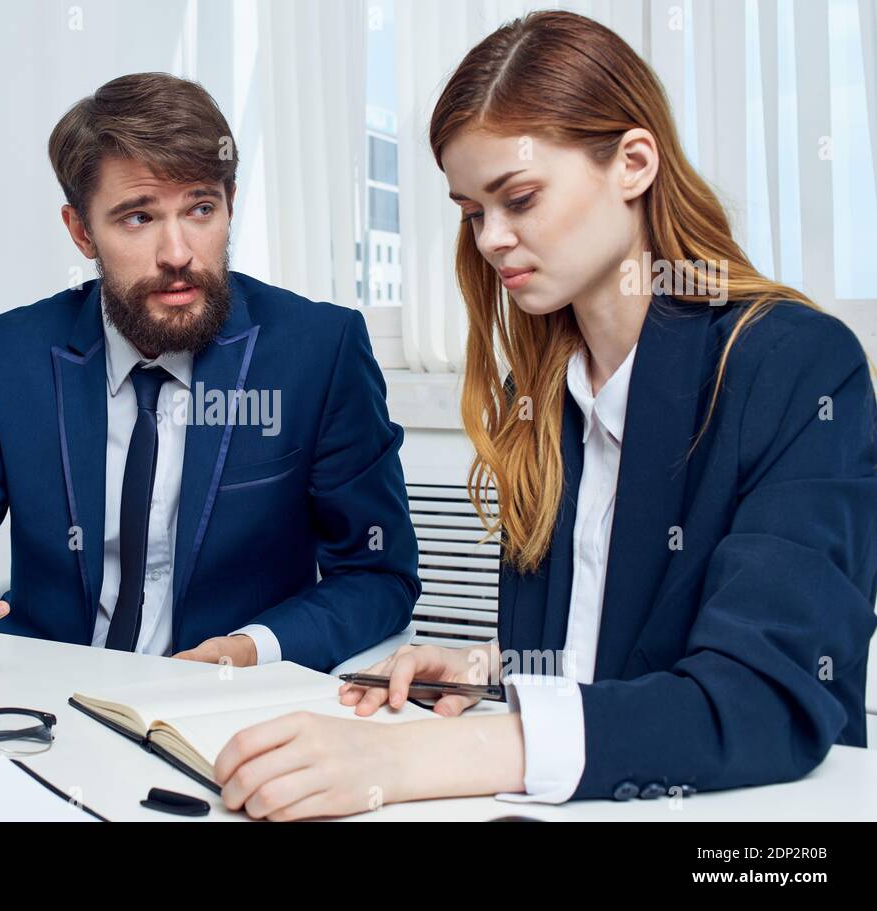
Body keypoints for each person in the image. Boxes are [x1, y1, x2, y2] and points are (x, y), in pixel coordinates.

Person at [214, 10, 877, 819]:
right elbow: (627, 649)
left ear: (634, 162)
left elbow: (762, 698)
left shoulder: (795, 364)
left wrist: (416, 754)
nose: (492, 239)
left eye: (519, 197)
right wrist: (496, 669)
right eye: (470, 211)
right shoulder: (546, 391)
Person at [0, 72, 420, 672]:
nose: (177, 253)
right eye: (138, 218)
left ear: (231, 204)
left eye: (201, 208)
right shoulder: (12, 353)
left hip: (222, 711)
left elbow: (377, 574)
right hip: (47, 703)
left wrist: (255, 648)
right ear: (80, 231)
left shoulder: (318, 351)